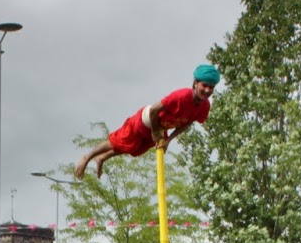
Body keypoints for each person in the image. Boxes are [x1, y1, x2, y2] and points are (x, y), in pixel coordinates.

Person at [75, 64, 219, 179]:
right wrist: (155, 131)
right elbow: (154, 110)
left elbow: (188, 122)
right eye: (204, 85)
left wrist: (169, 140)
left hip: (161, 128)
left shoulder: (204, 106)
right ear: (196, 83)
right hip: (146, 120)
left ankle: (102, 158)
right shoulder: (181, 96)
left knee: (133, 148)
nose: (207, 90)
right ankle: (87, 158)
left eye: (211, 87)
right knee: (117, 141)